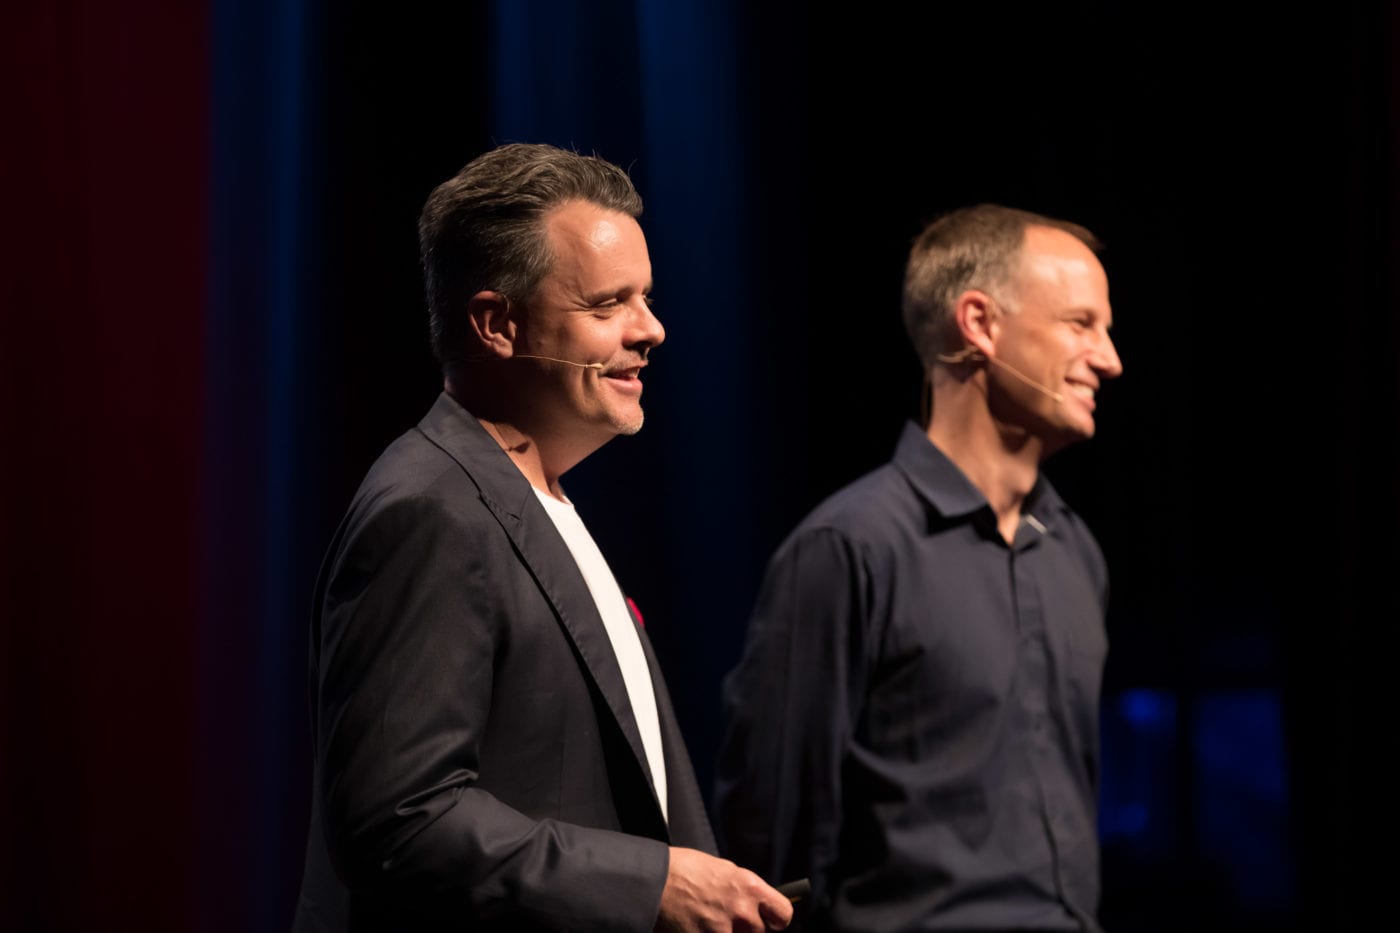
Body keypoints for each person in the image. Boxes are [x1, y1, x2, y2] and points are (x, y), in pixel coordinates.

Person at [293, 142, 793, 933]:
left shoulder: (539, 499)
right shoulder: (431, 510)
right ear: (497, 323)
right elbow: (399, 817)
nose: (652, 329)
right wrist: (649, 884)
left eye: (647, 297)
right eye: (607, 305)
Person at [712, 204, 1124, 932]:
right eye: (1081, 324)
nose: (1110, 358)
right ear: (980, 323)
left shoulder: (1074, 550)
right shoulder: (850, 547)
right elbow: (769, 842)